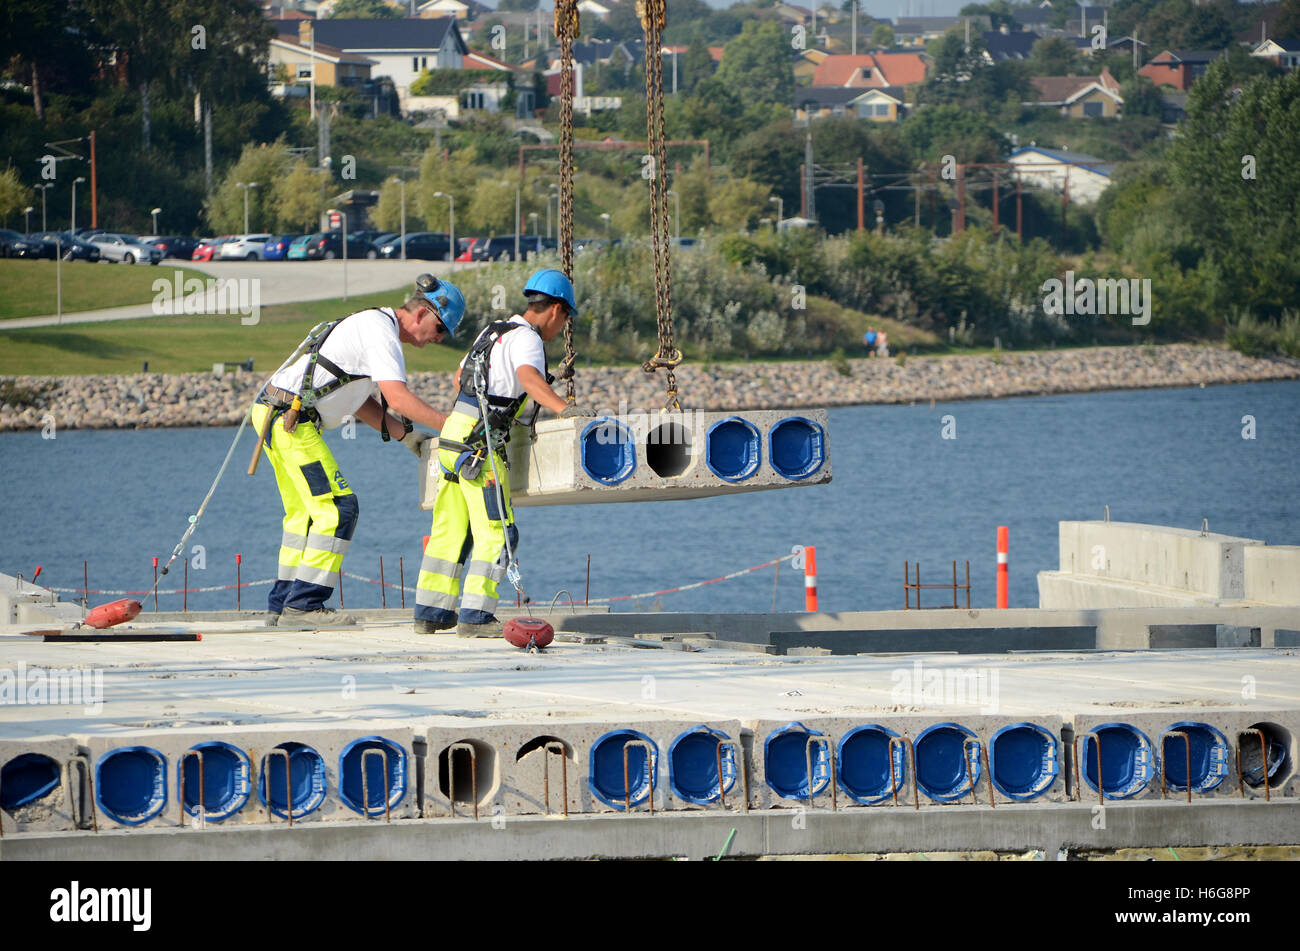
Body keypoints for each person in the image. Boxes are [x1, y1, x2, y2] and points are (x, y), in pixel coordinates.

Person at [251, 274, 463, 627]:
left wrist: (407, 437)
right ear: (425, 314)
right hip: (292, 420)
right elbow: (397, 398)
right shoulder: (383, 332)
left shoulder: (371, 323)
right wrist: (452, 426)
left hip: (273, 412)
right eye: (441, 331)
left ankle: (282, 605)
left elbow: (360, 399)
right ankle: (303, 607)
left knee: (303, 516)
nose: (438, 340)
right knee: (338, 508)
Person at [415, 268, 595, 637]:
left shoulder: (494, 330)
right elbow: (528, 378)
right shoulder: (528, 339)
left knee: (450, 531)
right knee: (497, 533)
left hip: (451, 438)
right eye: (564, 321)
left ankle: (430, 614)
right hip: (480, 448)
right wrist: (565, 409)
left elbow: (459, 378)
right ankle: (476, 618)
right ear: (557, 310)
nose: (560, 330)